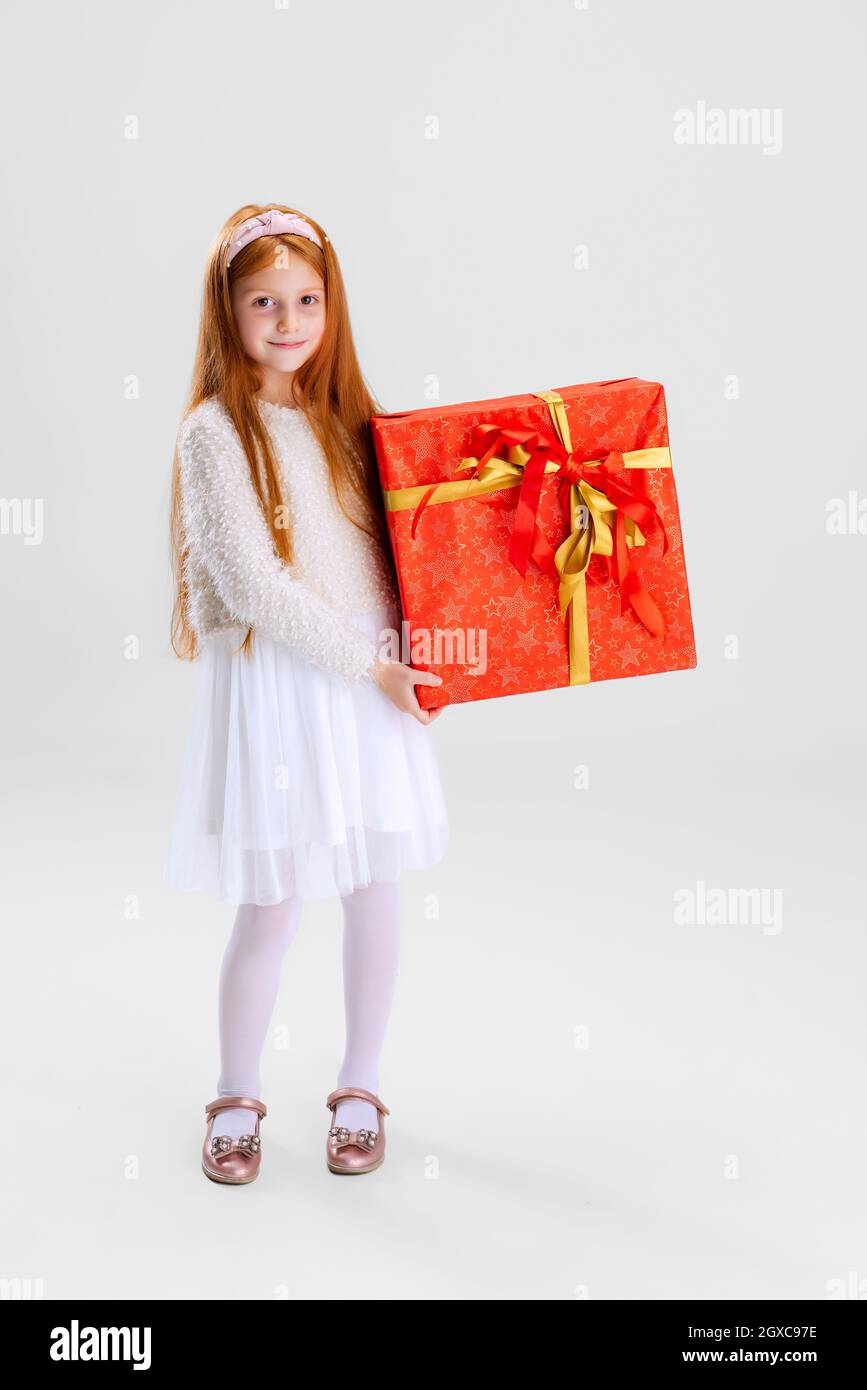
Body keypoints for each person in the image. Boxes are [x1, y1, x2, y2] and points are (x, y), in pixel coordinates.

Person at [164, 204, 450, 1181]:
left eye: (307, 300)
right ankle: (237, 1090)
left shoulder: (343, 423)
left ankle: (360, 1080)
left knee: (374, 885)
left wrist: (409, 651)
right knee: (273, 899)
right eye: (264, 302)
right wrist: (368, 663)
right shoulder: (213, 433)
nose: (288, 320)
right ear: (229, 310)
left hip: (364, 678)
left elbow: (390, 557)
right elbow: (251, 583)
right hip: (284, 683)